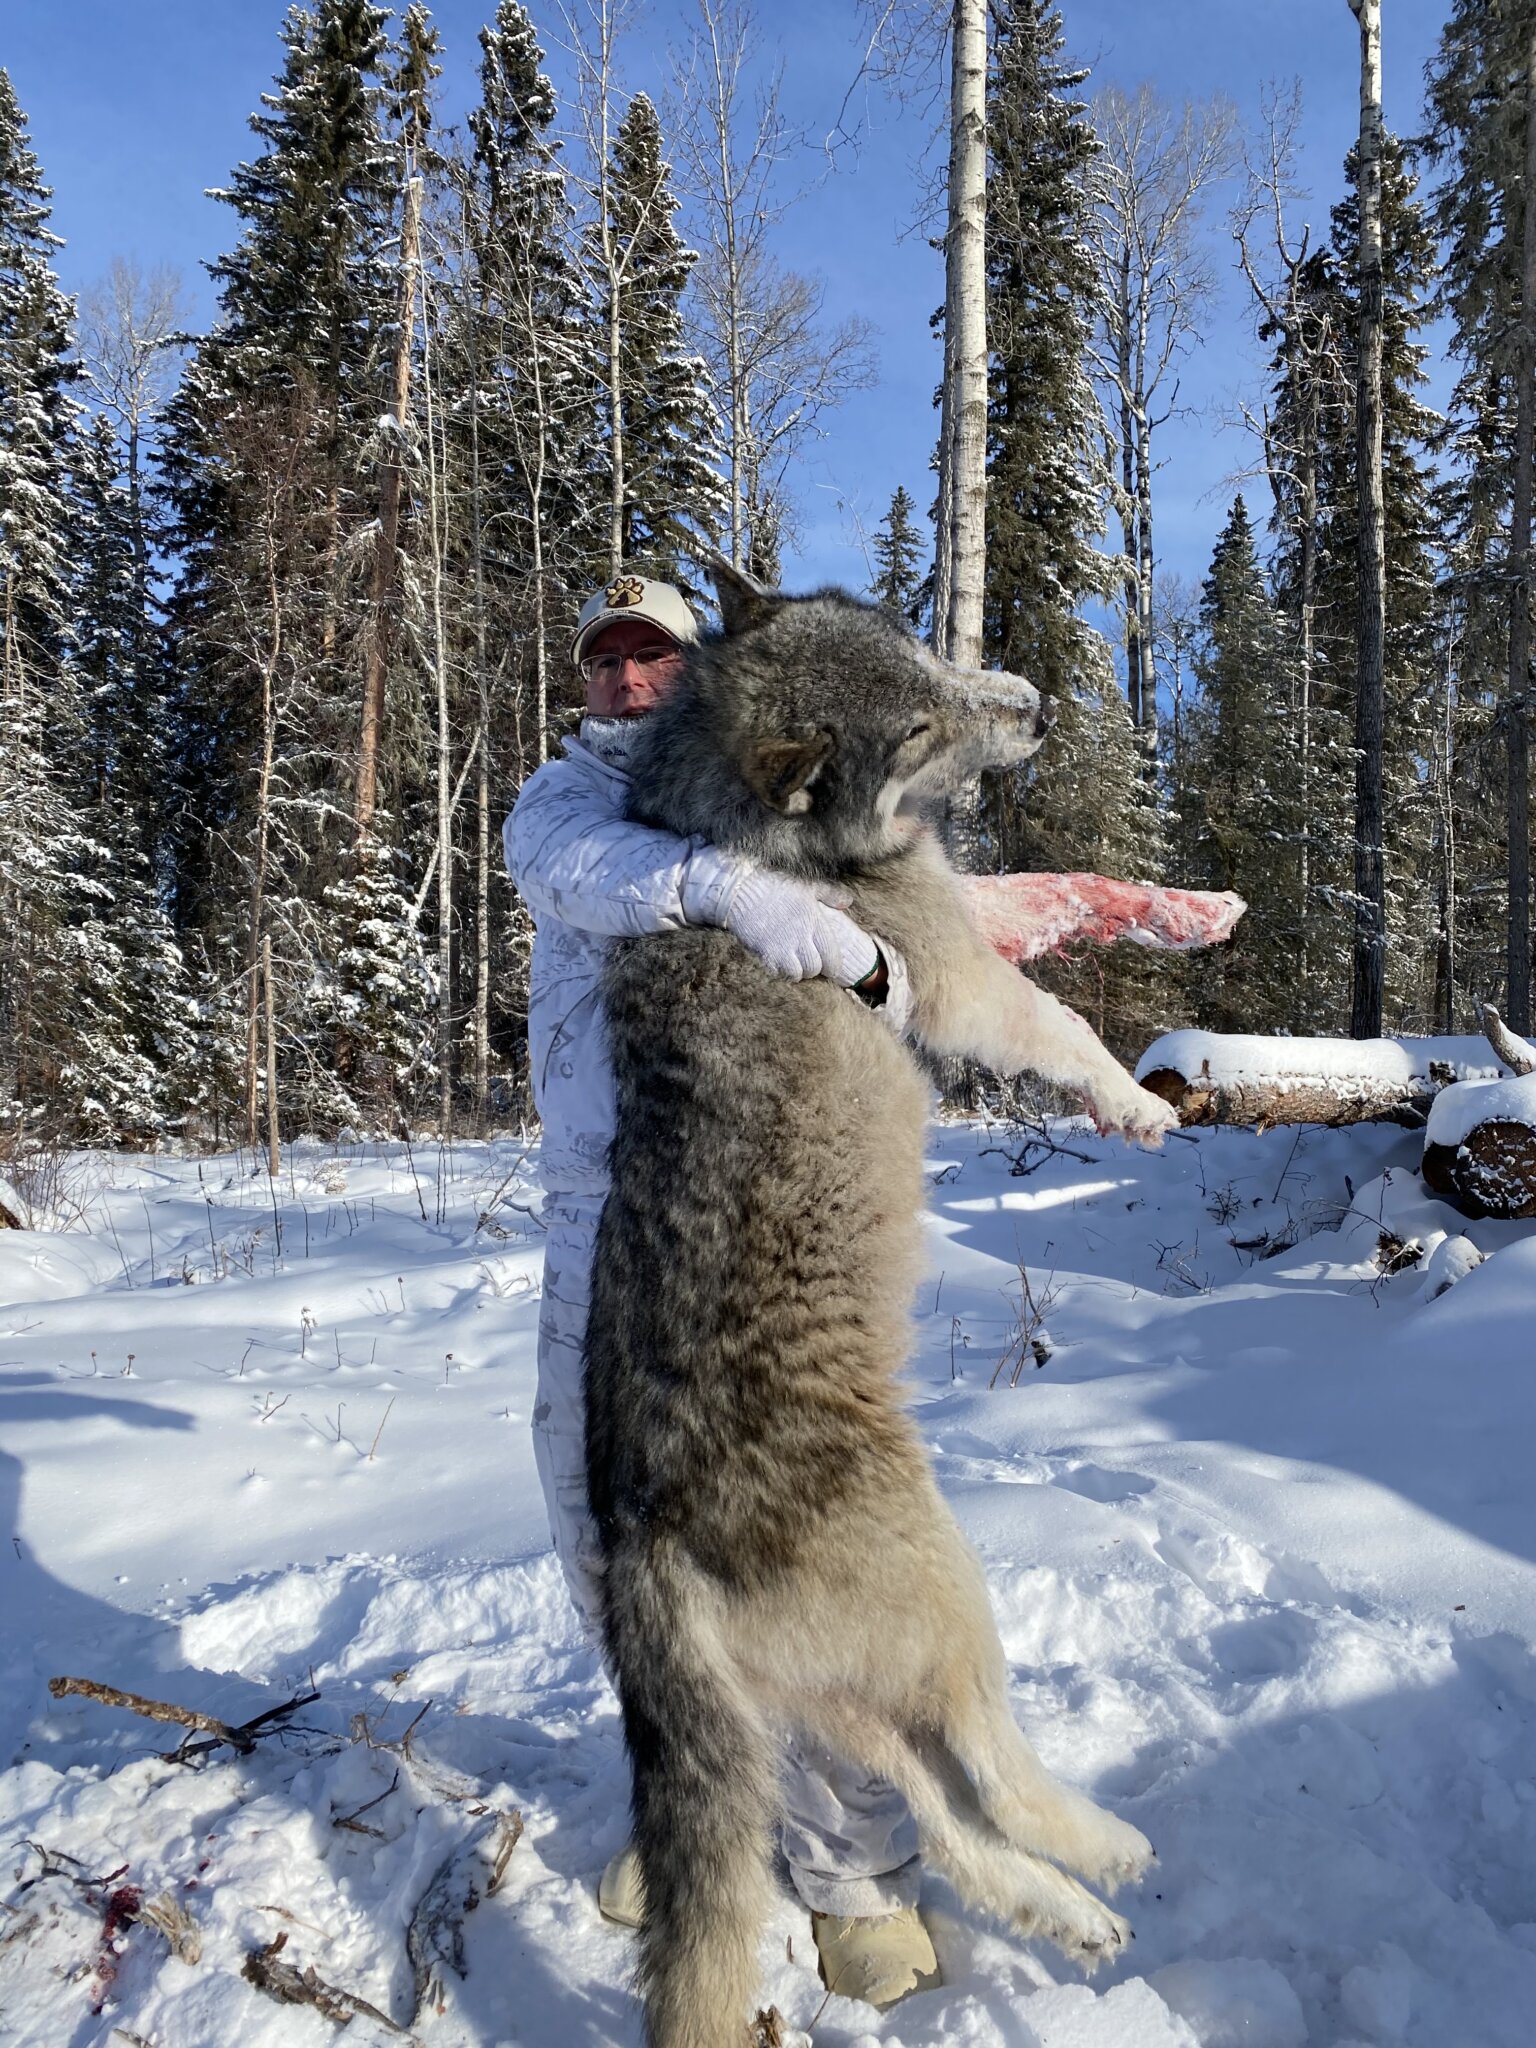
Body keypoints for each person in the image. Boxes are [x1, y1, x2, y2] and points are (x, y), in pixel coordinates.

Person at [503, 571, 941, 2009]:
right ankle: (699, 1808)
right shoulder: (566, 806)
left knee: (788, 1542)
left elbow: (912, 908)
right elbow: (583, 876)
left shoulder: (791, 791)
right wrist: (720, 886)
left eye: (654, 657)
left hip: (756, 1214)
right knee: (610, 1538)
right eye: (606, 659)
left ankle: (854, 1869)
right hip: (605, 1229)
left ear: (706, 676)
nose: (629, 680)